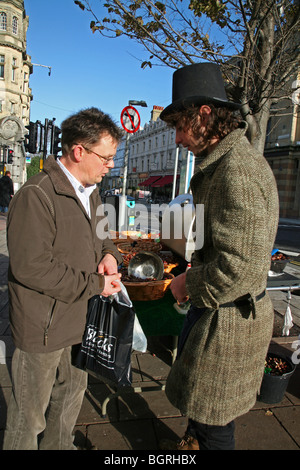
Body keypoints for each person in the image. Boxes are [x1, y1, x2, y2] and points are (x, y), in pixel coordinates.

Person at [159, 63, 279, 450]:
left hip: (228, 322)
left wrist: (184, 283)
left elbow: (240, 268)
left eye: (180, 126)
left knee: (215, 427)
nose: (177, 138)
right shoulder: (222, 164)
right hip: (219, 314)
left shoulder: (236, 172)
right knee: (204, 415)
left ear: (205, 115)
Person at [3, 107, 124, 450]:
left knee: (69, 401)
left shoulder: (93, 191)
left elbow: (103, 236)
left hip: (81, 318)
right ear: (79, 151)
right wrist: (96, 285)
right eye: (106, 157)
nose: (110, 165)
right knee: (28, 419)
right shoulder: (37, 194)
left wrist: (110, 255)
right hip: (43, 325)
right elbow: (32, 267)